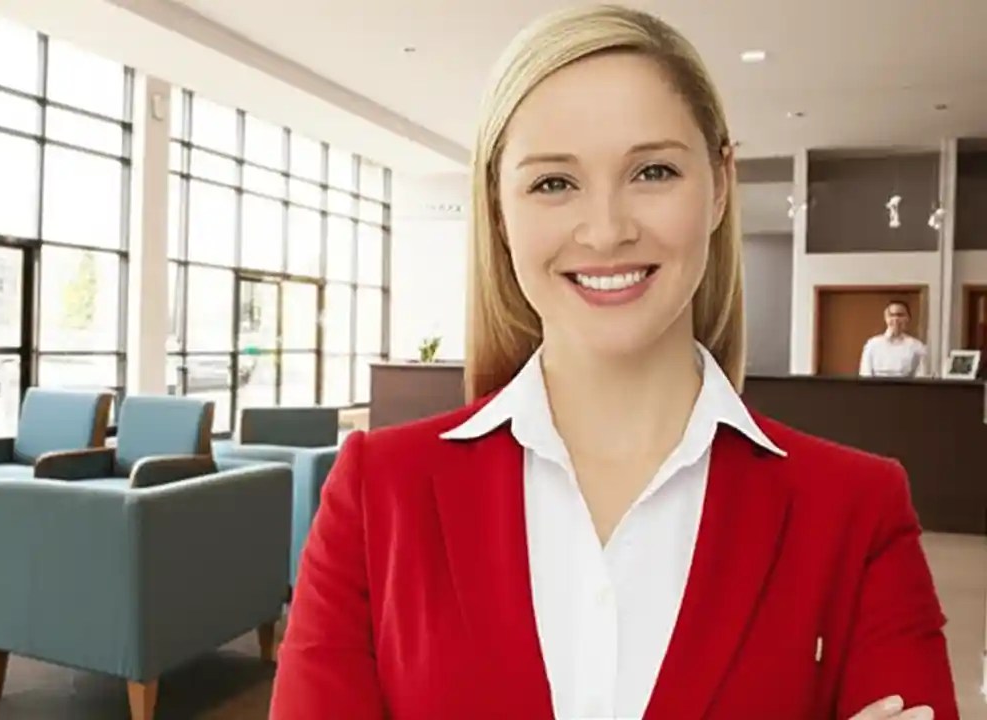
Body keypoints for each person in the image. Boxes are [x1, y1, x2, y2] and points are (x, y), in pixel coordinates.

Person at [270, 5, 957, 720]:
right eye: (553, 183)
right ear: (499, 212)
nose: (606, 230)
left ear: (720, 184)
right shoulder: (376, 498)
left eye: (652, 170)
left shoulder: (856, 511)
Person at [859, 301, 929, 378]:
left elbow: (921, 378)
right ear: (885, 318)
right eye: (891, 315)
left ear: (908, 318)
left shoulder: (917, 346)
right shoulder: (872, 345)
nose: (895, 319)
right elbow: (865, 375)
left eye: (900, 315)